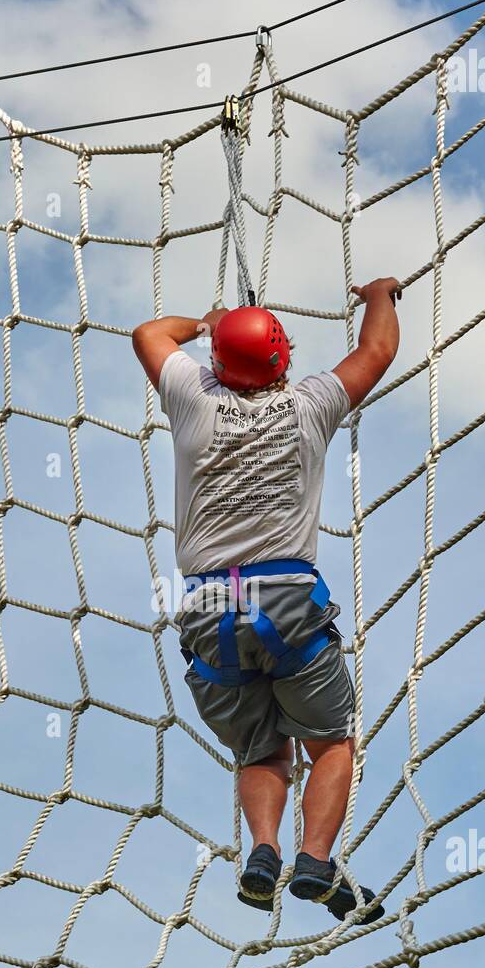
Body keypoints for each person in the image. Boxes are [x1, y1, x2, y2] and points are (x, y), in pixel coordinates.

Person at [131, 279, 400, 917]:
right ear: (283, 359)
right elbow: (377, 351)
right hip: (285, 601)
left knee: (261, 750)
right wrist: (380, 295)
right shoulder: (311, 406)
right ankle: (315, 860)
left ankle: (264, 849)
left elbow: (147, 334)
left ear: (219, 365)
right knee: (331, 741)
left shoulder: (192, 399)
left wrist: (205, 321)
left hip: (206, 610)